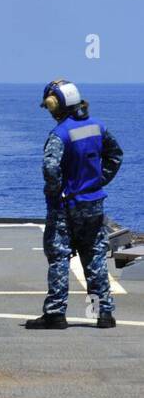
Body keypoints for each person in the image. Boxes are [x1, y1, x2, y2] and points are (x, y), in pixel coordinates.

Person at [27, 79, 123, 330]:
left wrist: (55, 192)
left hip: (65, 205)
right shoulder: (98, 127)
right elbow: (115, 156)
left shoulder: (60, 134)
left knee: (59, 256)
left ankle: (56, 313)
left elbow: (50, 167)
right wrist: (98, 180)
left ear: (55, 106)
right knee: (94, 257)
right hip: (93, 203)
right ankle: (102, 313)